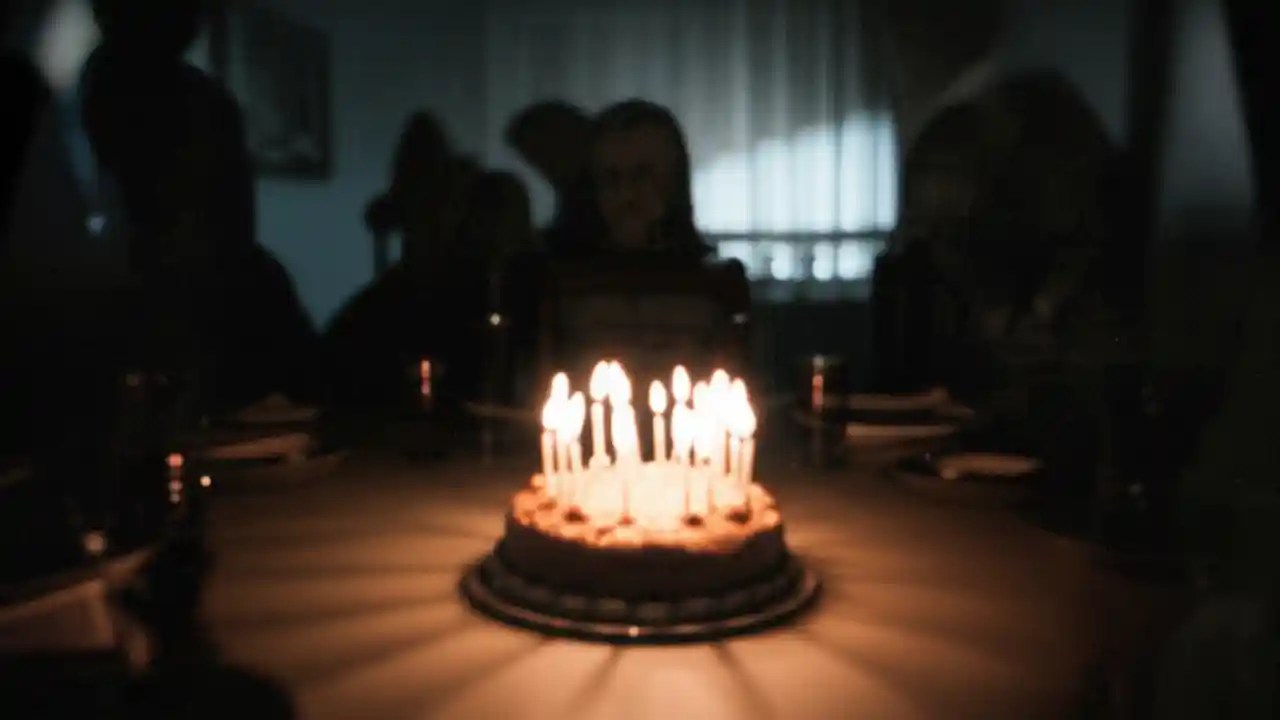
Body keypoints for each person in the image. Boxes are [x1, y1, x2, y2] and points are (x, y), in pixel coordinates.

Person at [504, 101, 594, 256]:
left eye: (537, 152)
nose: (538, 167)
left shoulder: (601, 190)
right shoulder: (574, 190)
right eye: (530, 157)